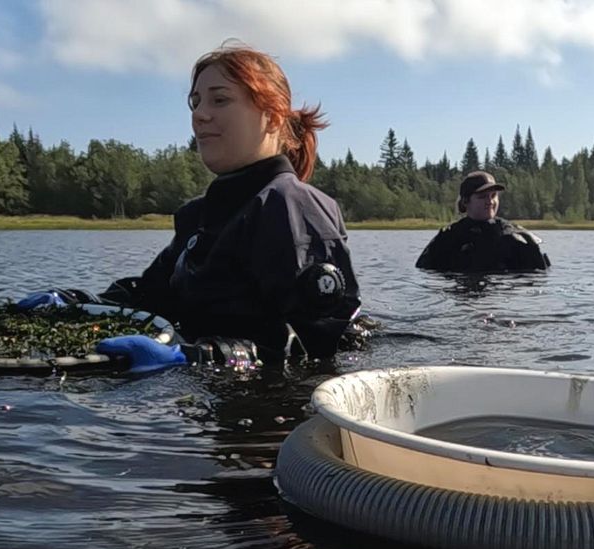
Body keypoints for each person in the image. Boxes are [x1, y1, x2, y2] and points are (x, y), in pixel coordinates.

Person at [21, 43, 363, 372]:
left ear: (272, 118)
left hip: (275, 424)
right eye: (196, 102)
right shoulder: (201, 216)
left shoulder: (291, 207)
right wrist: (76, 304)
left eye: (220, 100)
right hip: (214, 420)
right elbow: (151, 298)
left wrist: (194, 358)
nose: (200, 115)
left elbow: (318, 346)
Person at [415, 171, 550, 273]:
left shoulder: (517, 237)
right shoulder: (448, 238)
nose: (490, 201)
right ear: (466, 201)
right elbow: (425, 271)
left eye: (493, 196)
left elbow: (538, 276)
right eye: (482, 197)